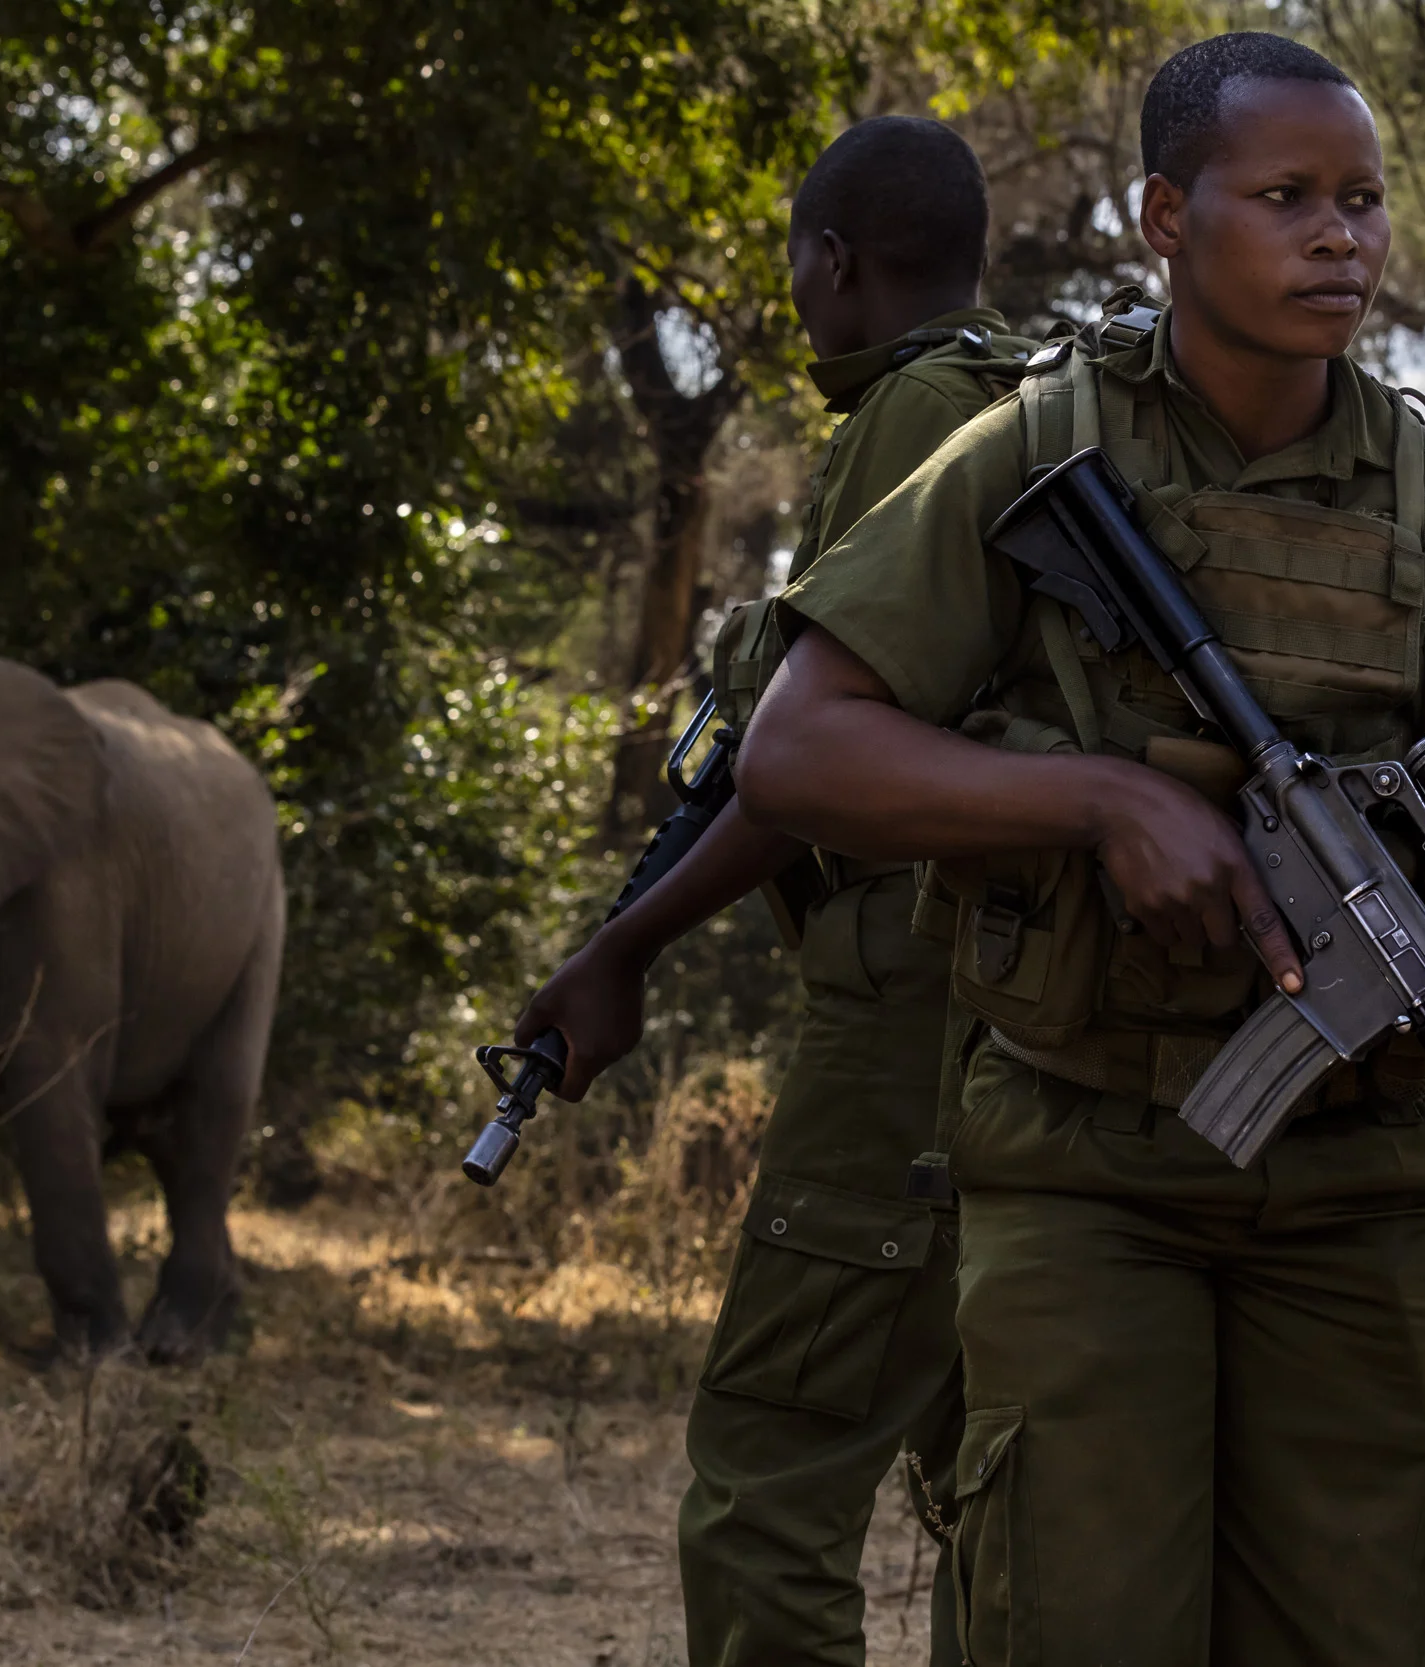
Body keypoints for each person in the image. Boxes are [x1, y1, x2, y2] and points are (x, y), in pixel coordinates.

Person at [734, 33, 1425, 1666]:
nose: (1338, 235)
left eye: (1362, 200)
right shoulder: (1030, 453)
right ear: (1164, 214)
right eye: (1285, 196)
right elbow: (799, 744)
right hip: (1089, 1173)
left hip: (1367, 1192)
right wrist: (1101, 799)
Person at [514, 116, 1038, 1666]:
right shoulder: (1030, 400)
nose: (804, 301)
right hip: (1018, 1009)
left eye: (803, 270)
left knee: (769, 1474)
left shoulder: (913, 409)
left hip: (903, 1017)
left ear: (836, 259)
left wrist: (628, 946)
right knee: (989, 1481)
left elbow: (810, 763)